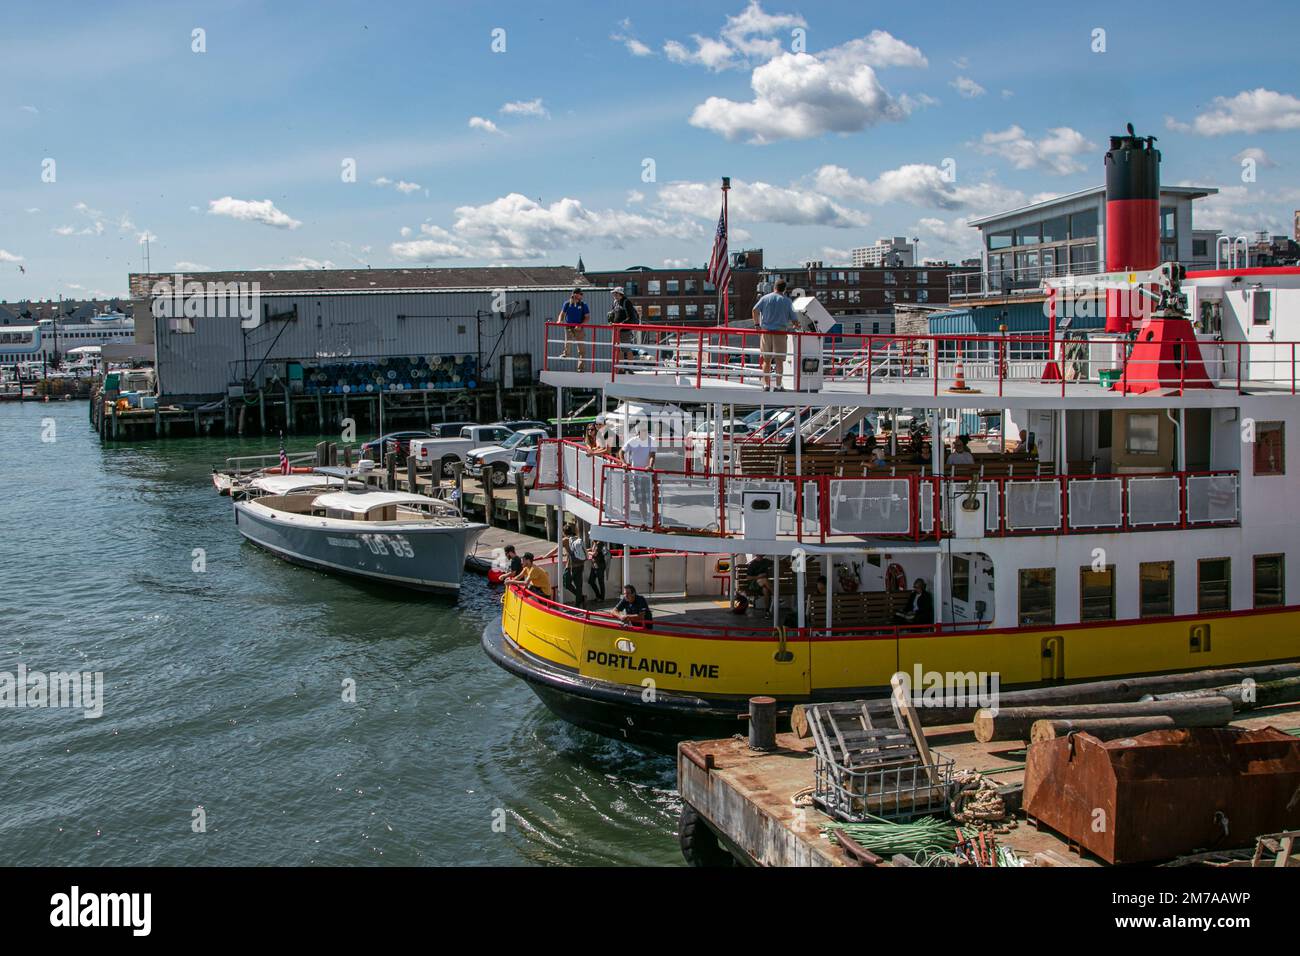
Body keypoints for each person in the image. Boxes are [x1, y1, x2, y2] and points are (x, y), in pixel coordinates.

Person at [752, 279, 798, 390]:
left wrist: (757, 325)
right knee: (779, 361)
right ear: (784, 289)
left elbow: (754, 310)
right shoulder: (787, 301)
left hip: (766, 332)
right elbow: (794, 320)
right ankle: (778, 385)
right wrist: (795, 326)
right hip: (780, 333)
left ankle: (766, 385)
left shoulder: (765, 298)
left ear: (774, 288)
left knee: (766, 360)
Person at [620, 423, 657, 526]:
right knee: (641, 500)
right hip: (636, 474)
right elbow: (621, 452)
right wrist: (623, 462)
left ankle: (653, 519)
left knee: (651, 498)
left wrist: (649, 466)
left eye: (646, 430)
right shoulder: (633, 441)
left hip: (648, 474)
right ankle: (645, 520)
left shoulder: (651, 440)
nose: (644, 432)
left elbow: (652, 456)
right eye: (642, 431)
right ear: (638, 432)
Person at [547, 523, 588, 607]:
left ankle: (581, 598)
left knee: (566, 583)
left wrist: (545, 556)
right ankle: (578, 602)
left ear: (564, 532)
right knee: (578, 585)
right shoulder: (577, 538)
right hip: (580, 564)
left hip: (571, 566)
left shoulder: (565, 540)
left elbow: (555, 550)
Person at [558, 288, 590, 371]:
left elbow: (587, 317)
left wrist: (581, 325)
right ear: (575, 294)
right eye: (580, 294)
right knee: (568, 341)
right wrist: (560, 320)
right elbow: (562, 313)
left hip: (579, 327)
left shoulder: (583, 304)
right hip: (569, 326)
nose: (582, 296)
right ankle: (565, 354)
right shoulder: (567, 304)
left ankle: (581, 368)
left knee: (581, 349)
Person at [608, 288, 640, 365]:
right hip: (616, 329)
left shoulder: (626, 302)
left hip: (625, 330)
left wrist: (622, 324)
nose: (613, 295)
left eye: (615, 293)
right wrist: (611, 321)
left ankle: (630, 368)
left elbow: (630, 317)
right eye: (613, 293)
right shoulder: (615, 302)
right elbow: (613, 314)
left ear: (620, 294)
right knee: (617, 349)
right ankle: (621, 368)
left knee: (626, 349)